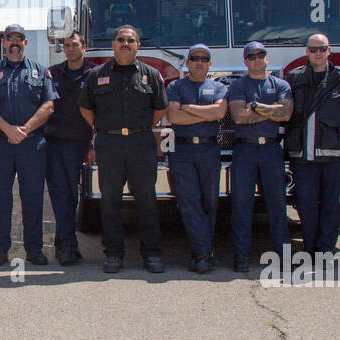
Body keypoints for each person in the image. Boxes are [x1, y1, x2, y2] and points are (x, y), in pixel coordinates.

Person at [78, 25, 168, 274]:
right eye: (121, 39)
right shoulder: (97, 75)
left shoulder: (150, 74)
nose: (125, 43)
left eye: (131, 40)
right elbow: (85, 107)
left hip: (141, 143)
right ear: (113, 44)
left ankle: (152, 254)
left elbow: (161, 107)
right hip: (110, 144)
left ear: (138, 45)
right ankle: (114, 254)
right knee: (110, 201)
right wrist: (98, 126)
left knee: (147, 201)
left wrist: (146, 126)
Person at [0, 24, 57, 267]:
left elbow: (49, 105)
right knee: (0, 198)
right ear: (3, 42)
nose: (14, 43)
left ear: (25, 43)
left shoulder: (40, 71)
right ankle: (0, 250)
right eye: (9, 39)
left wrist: (25, 130)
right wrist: (8, 129)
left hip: (31, 144)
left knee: (32, 198)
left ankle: (34, 250)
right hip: (2, 143)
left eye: (19, 39)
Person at [284, 34, 340, 256]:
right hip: (302, 156)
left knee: (332, 205)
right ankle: (310, 249)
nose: (318, 53)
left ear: (329, 51)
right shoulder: (294, 78)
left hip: (334, 156)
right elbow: (285, 115)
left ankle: (326, 250)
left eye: (322, 49)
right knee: (306, 205)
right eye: (313, 49)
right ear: (306, 52)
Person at [226, 42, 294, 272]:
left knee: (277, 203)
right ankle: (241, 255)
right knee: (241, 204)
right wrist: (270, 110)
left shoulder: (280, 84)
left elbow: (285, 114)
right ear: (245, 61)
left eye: (261, 55)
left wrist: (254, 106)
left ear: (267, 58)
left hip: (271, 150)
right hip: (244, 150)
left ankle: (283, 255)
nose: (257, 59)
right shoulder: (238, 85)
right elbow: (238, 117)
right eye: (252, 56)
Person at [165, 43, 227, 274]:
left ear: (210, 64)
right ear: (187, 62)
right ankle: (202, 252)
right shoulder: (175, 85)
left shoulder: (219, 88)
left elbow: (219, 113)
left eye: (204, 58)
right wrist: (205, 113)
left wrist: (188, 108)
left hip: (209, 149)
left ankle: (203, 251)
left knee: (210, 201)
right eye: (194, 58)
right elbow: (174, 116)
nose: (199, 62)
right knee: (189, 202)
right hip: (181, 151)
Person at [44, 32, 94, 266]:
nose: (70, 49)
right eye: (66, 45)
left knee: (74, 195)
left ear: (84, 47)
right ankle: (66, 245)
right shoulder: (53, 73)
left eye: (75, 45)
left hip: (82, 143)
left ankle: (67, 242)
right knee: (60, 194)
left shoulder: (95, 74)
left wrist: (95, 142)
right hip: (54, 142)